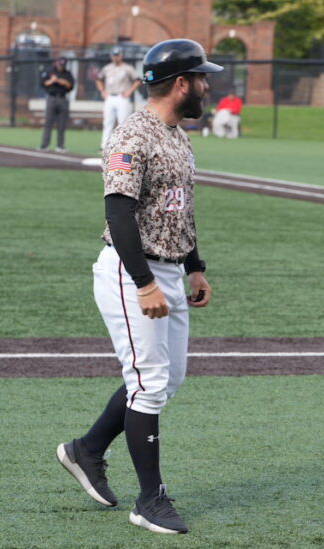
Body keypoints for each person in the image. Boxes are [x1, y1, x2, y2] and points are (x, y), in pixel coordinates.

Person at [56, 38, 222, 535]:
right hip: (132, 272)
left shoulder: (178, 136)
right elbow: (118, 213)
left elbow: (179, 211)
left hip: (168, 270)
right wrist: (145, 282)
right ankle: (150, 500)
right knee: (149, 384)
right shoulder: (132, 135)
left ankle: (86, 450)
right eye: (202, 78)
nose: (207, 86)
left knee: (165, 381)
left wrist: (194, 267)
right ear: (180, 83)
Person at [96, 45, 142, 150]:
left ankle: (123, 146)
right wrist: (102, 91)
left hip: (122, 97)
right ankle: (104, 146)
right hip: (110, 97)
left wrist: (129, 91)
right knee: (107, 122)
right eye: (114, 55)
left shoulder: (127, 68)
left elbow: (138, 80)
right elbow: (98, 79)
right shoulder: (107, 68)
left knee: (123, 122)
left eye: (117, 55)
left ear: (121, 56)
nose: (116, 57)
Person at [38, 57, 74, 152]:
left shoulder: (67, 74)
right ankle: (44, 145)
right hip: (51, 98)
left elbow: (70, 85)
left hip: (62, 98)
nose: (61, 66)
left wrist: (59, 80)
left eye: (62, 65)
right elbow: (43, 83)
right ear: (56, 63)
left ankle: (60, 146)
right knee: (48, 123)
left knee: (62, 124)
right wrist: (52, 80)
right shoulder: (49, 72)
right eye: (59, 64)